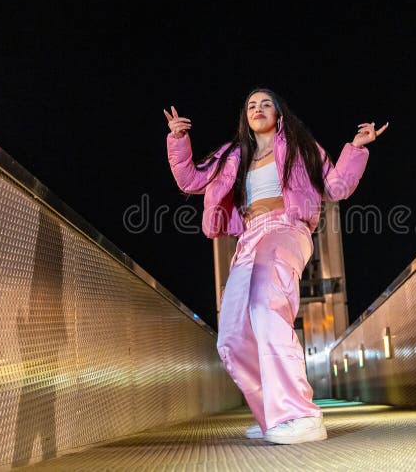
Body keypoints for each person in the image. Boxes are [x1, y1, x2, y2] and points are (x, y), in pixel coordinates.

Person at [164, 88, 388, 444]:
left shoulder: (301, 148)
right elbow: (190, 180)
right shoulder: (232, 155)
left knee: (265, 304)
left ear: (278, 115)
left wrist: (356, 148)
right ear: (245, 117)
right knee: (231, 339)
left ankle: (300, 415)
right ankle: (273, 417)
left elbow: (335, 187)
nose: (258, 109)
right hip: (249, 237)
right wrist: (178, 139)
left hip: (287, 228)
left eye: (266, 104)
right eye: (252, 105)